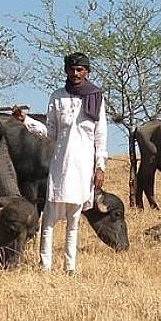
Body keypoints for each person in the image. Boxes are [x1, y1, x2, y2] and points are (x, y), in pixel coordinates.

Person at [12, 52, 107, 274]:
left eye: (80, 70)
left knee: (74, 219)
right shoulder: (57, 96)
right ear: (66, 71)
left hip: (84, 165)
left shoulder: (96, 97)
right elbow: (51, 132)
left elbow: (100, 135)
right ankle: (44, 266)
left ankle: (69, 267)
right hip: (60, 164)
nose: (75, 73)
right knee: (50, 219)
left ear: (87, 72)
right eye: (72, 69)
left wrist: (100, 166)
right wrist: (25, 120)